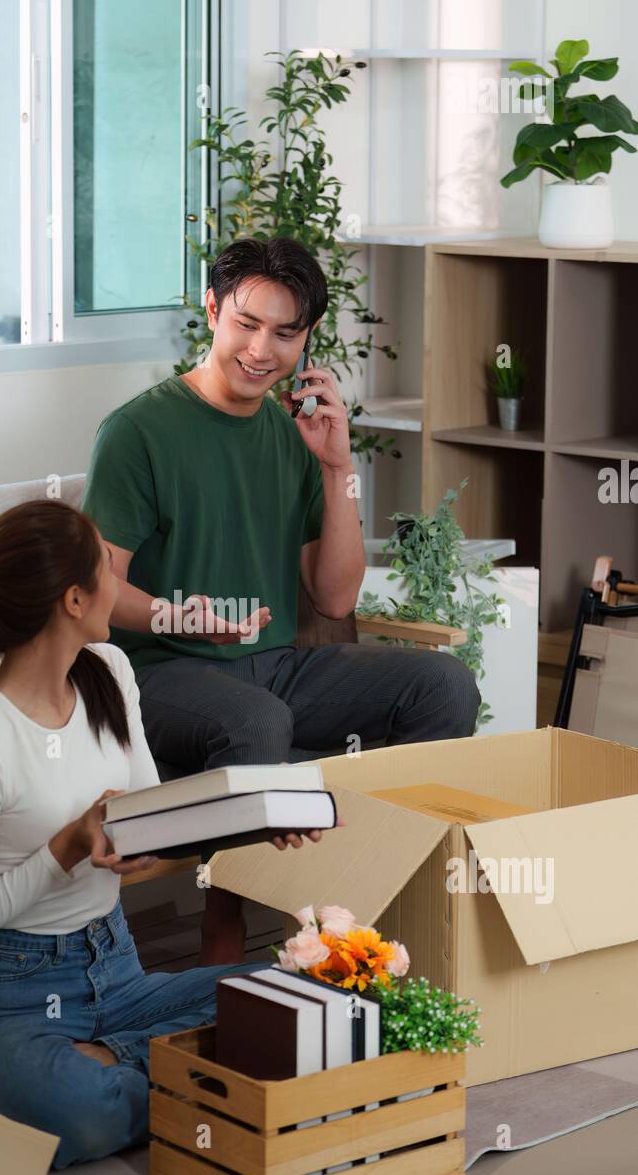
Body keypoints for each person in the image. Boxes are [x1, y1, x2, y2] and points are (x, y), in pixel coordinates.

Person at [81, 235, 481, 966]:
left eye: (285, 332)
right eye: (246, 323)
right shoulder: (138, 432)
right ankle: (227, 939)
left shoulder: (292, 434)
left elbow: (334, 594)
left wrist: (336, 465)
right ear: (211, 310)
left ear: (307, 338)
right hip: (159, 674)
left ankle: (376, 895)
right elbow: (96, 593)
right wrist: (179, 615)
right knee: (257, 719)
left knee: (443, 683)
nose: (262, 349)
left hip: (273, 663)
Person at [0, 498, 324, 1170]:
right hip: (11, 1005)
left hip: (119, 973)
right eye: (107, 569)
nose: (120, 581)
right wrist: (68, 845)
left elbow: (149, 812)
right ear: (74, 599)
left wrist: (255, 820)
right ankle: (196, 1079)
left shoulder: (109, 671)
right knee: (84, 1114)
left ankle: (122, 1059)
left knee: (313, 1000)